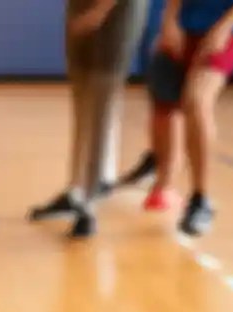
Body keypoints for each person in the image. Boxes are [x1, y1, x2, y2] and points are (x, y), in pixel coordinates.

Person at [147, 0, 233, 235]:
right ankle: (162, 182)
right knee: (164, 96)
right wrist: (169, 21)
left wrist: (223, 28)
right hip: (190, 18)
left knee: (197, 99)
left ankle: (200, 199)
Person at [28, 0, 147, 239]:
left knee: (103, 97)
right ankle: (75, 190)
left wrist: (98, 11)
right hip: (80, 7)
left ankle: (90, 201)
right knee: (81, 95)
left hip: (116, 11)